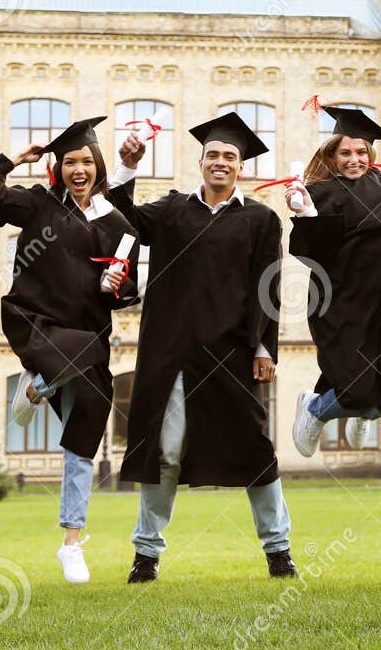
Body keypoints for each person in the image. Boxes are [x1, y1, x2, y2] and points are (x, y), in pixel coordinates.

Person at [108, 112, 296, 582]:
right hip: (170, 352)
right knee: (165, 451)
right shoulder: (171, 210)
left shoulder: (260, 219)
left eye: (229, 156)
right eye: (213, 154)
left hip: (231, 353)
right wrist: (127, 169)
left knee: (255, 451)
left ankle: (279, 551)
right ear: (201, 161)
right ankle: (145, 556)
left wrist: (264, 347)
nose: (220, 162)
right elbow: (119, 222)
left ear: (241, 166)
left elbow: (267, 287)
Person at [0, 116, 141, 583]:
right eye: (71, 162)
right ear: (59, 168)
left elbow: (126, 288)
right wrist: (15, 159)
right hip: (36, 320)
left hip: (87, 331)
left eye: (87, 161)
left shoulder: (117, 221)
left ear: (99, 166)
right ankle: (39, 384)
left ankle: (71, 542)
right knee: (83, 358)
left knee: (86, 433)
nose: (80, 169)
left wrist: (112, 284)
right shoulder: (39, 204)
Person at [283, 106, 381, 455]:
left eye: (360, 152)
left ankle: (363, 413)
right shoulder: (321, 192)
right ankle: (314, 408)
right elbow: (312, 254)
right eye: (344, 153)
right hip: (342, 308)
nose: (353, 160)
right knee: (356, 392)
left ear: (371, 153)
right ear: (332, 156)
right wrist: (306, 213)